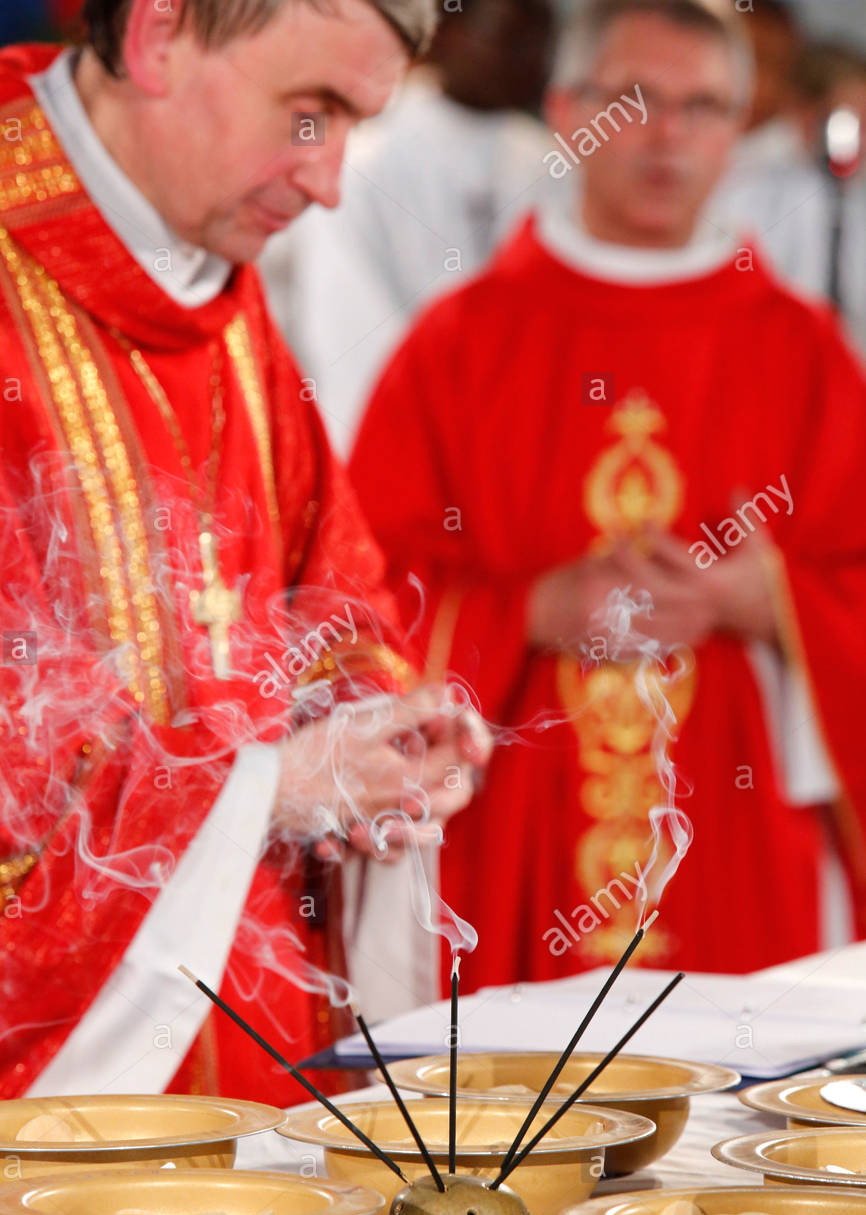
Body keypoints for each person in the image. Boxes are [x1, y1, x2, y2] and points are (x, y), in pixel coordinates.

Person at [0, 0, 489, 1104]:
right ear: (157, 33)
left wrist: (370, 730)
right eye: (308, 114)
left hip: (263, 1071)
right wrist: (268, 790)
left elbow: (331, 589)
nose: (327, 184)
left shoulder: (210, 268)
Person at [350, 0, 866, 996]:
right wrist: (528, 611)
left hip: (743, 836)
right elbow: (356, 598)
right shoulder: (457, 347)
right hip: (517, 836)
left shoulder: (803, 356)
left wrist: (773, 602)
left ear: (740, 126)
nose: (666, 136)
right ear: (562, 108)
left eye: (701, 106)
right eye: (631, 101)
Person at [262, 0, 558, 453]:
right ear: (445, 32)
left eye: (535, 40)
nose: (521, 54)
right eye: (503, 33)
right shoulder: (364, 155)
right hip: (376, 427)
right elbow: (334, 317)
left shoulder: (552, 164)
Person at [710, 38, 866, 356]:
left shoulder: (856, 195)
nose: (859, 139)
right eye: (848, 121)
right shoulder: (743, 182)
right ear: (803, 111)